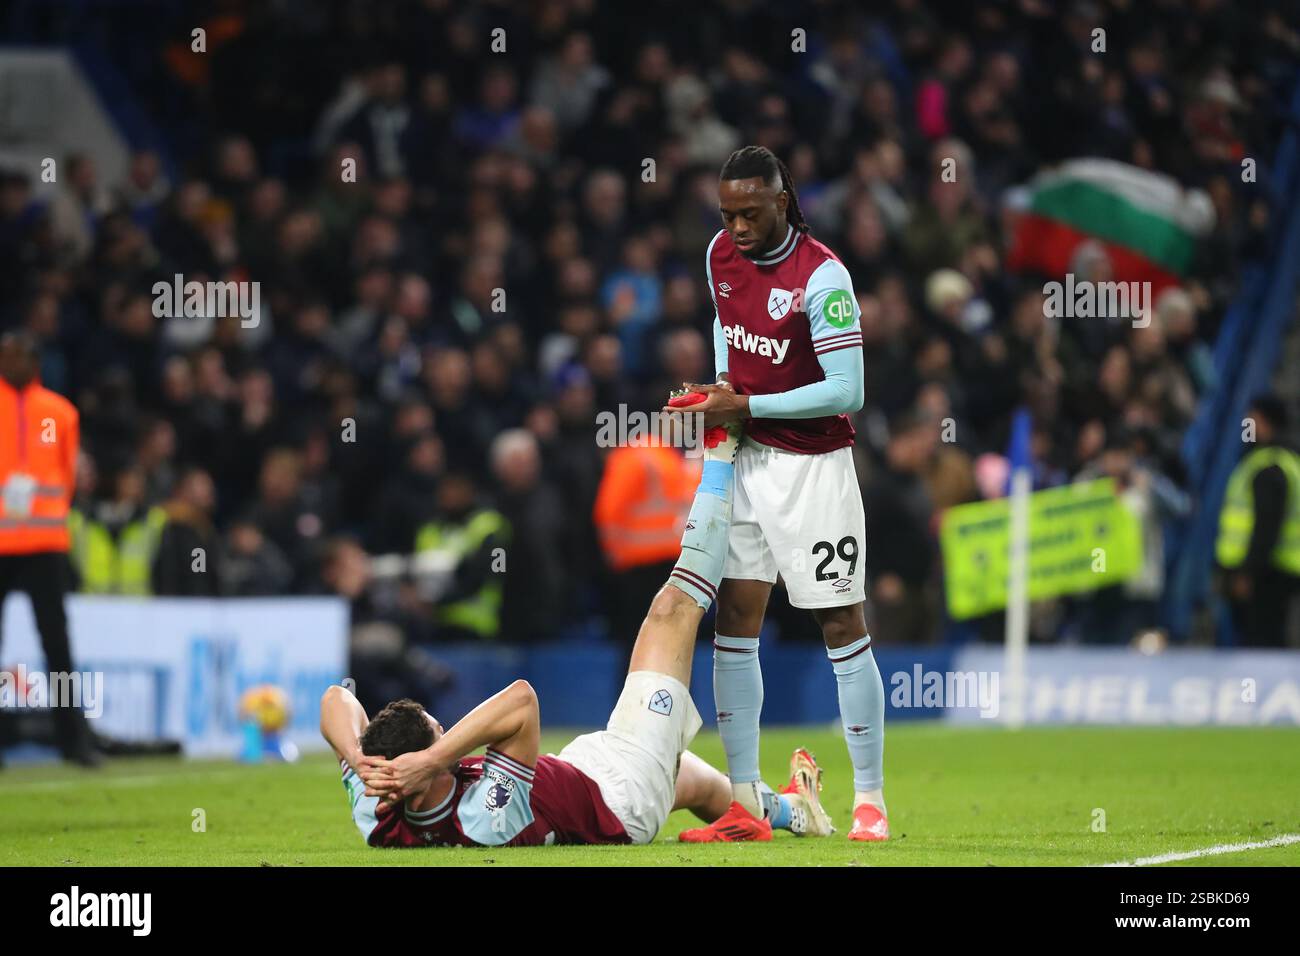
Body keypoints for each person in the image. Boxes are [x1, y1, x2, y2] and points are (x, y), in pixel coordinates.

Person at [323, 414, 834, 846]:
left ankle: (792, 811)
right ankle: (724, 458)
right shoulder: (480, 822)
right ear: (418, 775)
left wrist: (358, 759)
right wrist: (433, 757)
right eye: (437, 735)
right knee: (670, 609)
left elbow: (335, 700)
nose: (446, 736)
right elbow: (522, 700)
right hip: (622, 798)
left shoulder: (378, 809)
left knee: (698, 785)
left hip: (580, 772)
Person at [657, 146, 888, 842]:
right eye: (727, 215)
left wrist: (747, 406)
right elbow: (730, 342)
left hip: (816, 469)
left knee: (841, 625)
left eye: (750, 213)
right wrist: (722, 407)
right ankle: (747, 802)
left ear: (782, 201)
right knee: (735, 621)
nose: (737, 228)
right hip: (751, 464)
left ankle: (871, 801)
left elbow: (848, 390)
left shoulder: (824, 277)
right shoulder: (718, 256)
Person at [0, 331, 99, 766]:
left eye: (18, 356)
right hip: (3, 542)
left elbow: (67, 479)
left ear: (35, 361)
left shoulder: (60, 413)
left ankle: (73, 743)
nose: (11, 363)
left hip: (45, 543)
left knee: (57, 645)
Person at [1216, 394, 1300, 646]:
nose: (1246, 425)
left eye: (1251, 420)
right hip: (1274, 571)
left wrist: (1248, 573)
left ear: (1264, 422)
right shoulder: (1280, 460)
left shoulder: (1270, 466)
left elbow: (1266, 526)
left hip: (1266, 575)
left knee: (1261, 644)